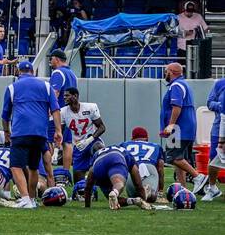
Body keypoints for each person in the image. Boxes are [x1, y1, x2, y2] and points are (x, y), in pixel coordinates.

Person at [1, 58, 60, 209]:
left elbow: (5, 115)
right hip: (40, 133)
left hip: (21, 132)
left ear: (19, 72)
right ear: (33, 72)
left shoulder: (12, 87)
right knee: (34, 167)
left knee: (16, 166)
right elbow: (55, 109)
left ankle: (26, 198)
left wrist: (7, 132)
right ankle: (32, 199)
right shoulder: (46, 86)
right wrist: (58, 130)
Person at [158, 62, 206, 193]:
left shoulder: (176, 86)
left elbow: (176, 107)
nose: (165, 73)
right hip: (186, 127)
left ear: (172, 72)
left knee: (173, 157)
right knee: (179, 159)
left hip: (179, 129)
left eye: (166, 70)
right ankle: (183, 189)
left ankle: (198, 177)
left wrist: (171, 124)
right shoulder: (183, 84)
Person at [81, 143, 153, 211]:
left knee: (112, 198)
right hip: (115, 157)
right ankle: (115, 192)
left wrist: (87, 205)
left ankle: (134, 201)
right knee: (118, 183)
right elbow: (138, 183)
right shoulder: (121, 150)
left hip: (98, 164)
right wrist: (144, 200)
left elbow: (88, 185)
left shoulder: (95, 155)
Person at [58, 86, 105, 182]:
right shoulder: (63, 112)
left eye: (67, 95)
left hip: (92, 141)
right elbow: (59, 132)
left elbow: (102, 127)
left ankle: (103, 174)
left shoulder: (90, 107)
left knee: (99, 147)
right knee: (79, 184)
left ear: (75, 96)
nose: (64, 98)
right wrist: (57, 148)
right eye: (64, 96)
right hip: (78, 146)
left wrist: (89, 140)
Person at [204, 77, 225, 203]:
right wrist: (220, 106)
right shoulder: (220, 84)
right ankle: (212, 188)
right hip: (218, 127)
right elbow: (209, 103)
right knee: (213, 157)